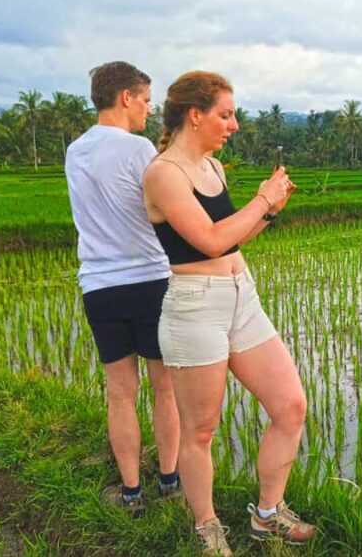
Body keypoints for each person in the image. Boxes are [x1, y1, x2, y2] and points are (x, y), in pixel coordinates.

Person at [143, 71, 316, 556]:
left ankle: (267, 515)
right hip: (195, 308)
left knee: (290, 406)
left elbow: (233, 240)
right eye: (226, 114)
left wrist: (270, 208)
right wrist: (263, 198)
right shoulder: (164, 173)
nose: (234, 125)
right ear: (194, 116)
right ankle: (207, 525)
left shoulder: (213, 169)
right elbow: (210, 240)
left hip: (242, 296)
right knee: (200, 430)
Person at [64, 61, 180, 518]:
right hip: (150, 279)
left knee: (120, 391)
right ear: (125, 97)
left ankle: (132, 492)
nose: (149, 110)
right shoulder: (138, 148)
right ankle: (169, 480)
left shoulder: (75, 151)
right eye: (146, 101)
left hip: (99, 285)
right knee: (164, 388)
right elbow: (160, 205)